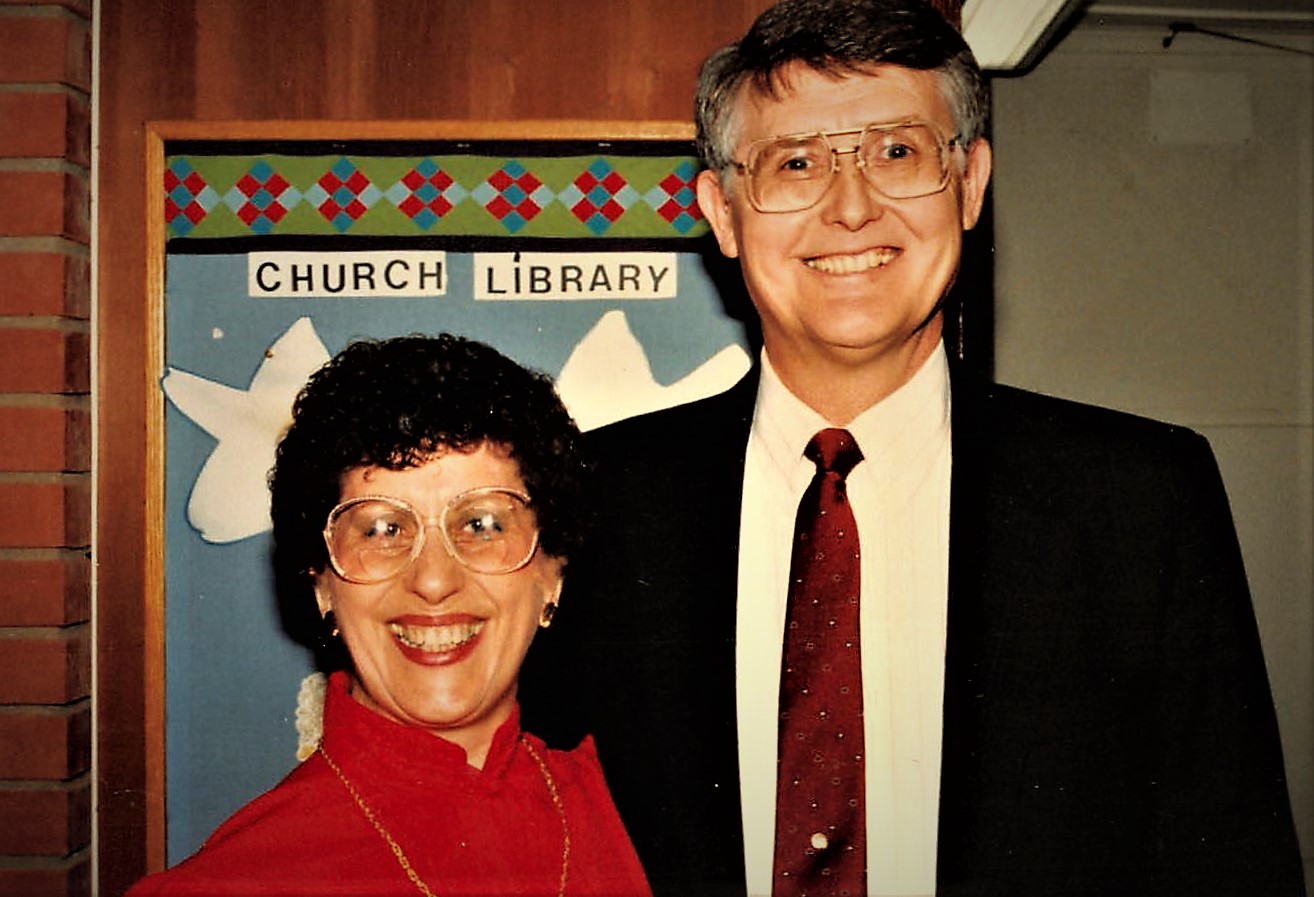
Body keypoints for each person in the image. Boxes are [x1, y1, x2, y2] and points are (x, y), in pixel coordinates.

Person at [518, 1, 1307, 895]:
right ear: (722, 211)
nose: (851, 208)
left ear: (970, 185)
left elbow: (1232, 863)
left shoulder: (1139, 502)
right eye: (797, 163)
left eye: (897, 152)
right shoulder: (591, 503)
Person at [129, 334, 651, 896]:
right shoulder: (229, 884)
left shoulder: (646, 814)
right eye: (381, 529)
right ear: (321, 584)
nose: (432, 580)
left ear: (552, 572)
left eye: (481, 525)